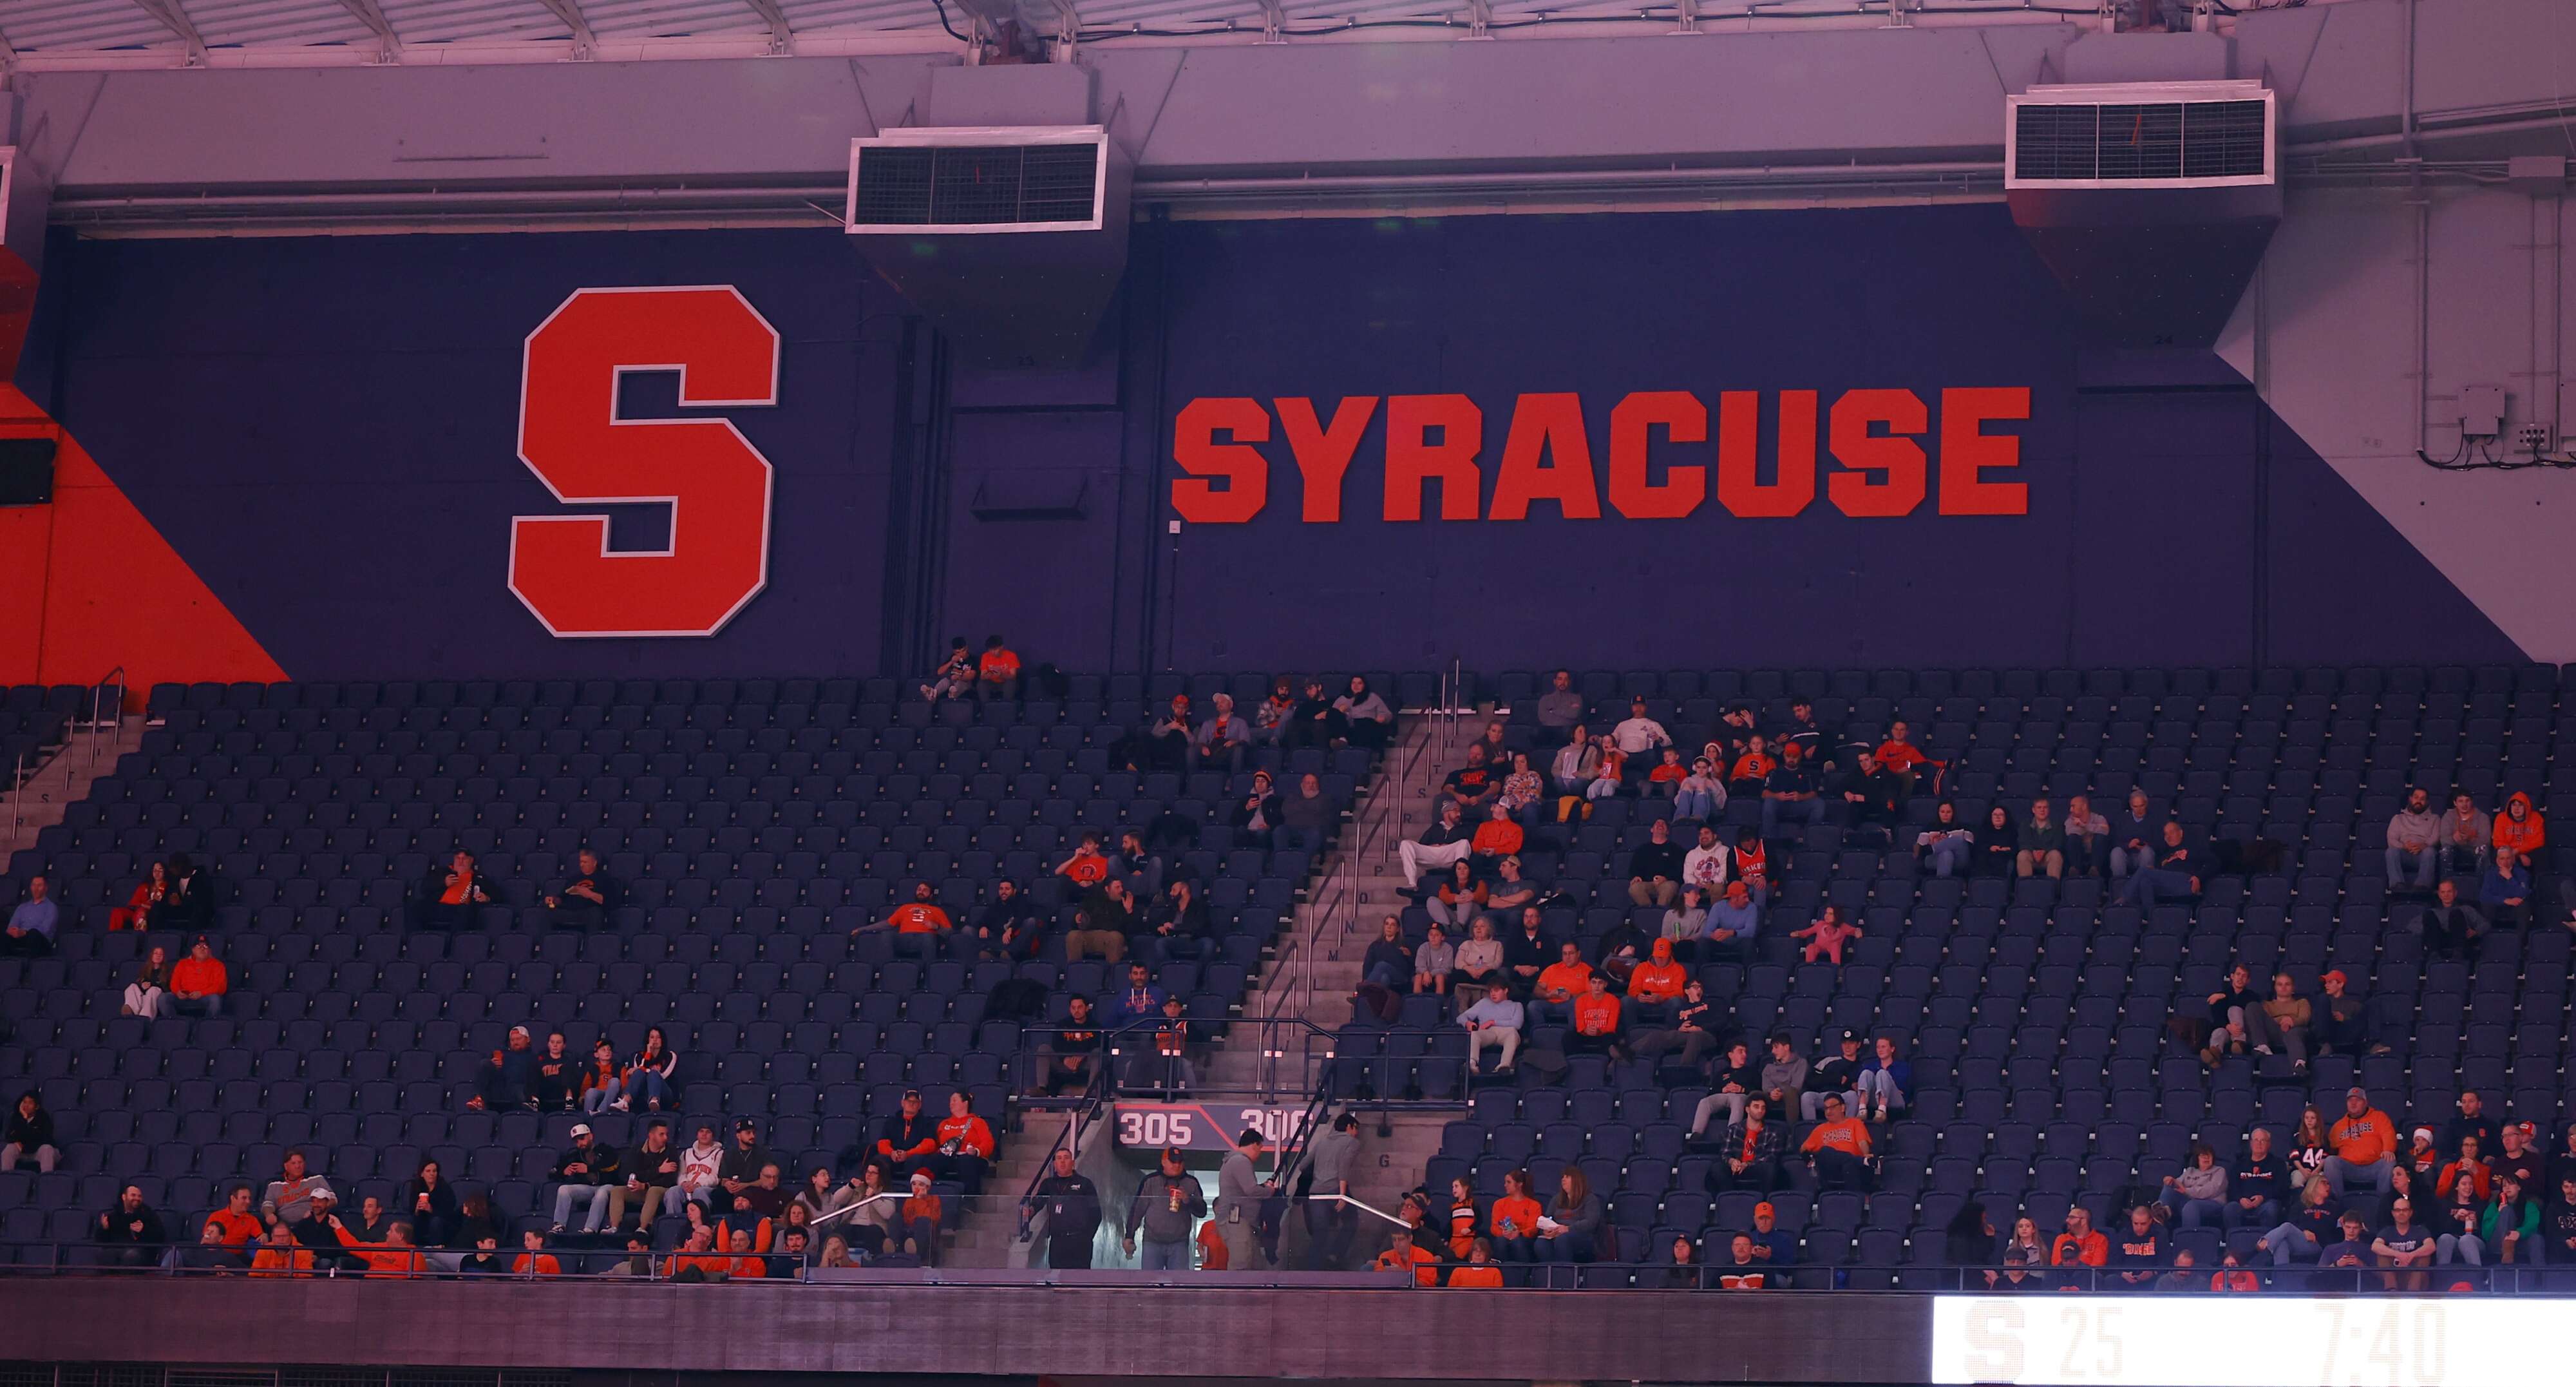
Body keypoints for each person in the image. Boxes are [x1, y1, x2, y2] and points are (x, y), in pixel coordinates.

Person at [1119, 1146, 1203, 1272]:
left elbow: (1202, 1212)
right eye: (1173, 1162)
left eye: (1180, 1162)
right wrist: (1129, 1236)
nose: (1177, 1165)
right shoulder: (1150, 1181)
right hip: (1152, 1241)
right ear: (1164, 1162)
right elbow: (1138, 1209)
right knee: (1150, 1282)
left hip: (1179, 1242)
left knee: (1178, 1283)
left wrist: (1188, 1200)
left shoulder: (1191, 1183)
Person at [1302, 1113, 1362, 1270]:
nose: (1357, 1133)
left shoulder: (1322, 1142)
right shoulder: (1352, 1143)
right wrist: (1342, 1196)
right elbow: (1344, 1168)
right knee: (1351, 1221)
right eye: (1356, 1128)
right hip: (1335, 1190)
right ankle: (1335, 1254)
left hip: (1316, 1193)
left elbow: (1303, 1165)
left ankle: (1311, 1270)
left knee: (1320, 1233)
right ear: (1349, 1126)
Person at [2326, 1086, 2398, 1200]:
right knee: (2330, 1161)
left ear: (2365, 1102)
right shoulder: (2338, 1126)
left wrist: (2388, 1150)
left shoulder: (2379, 1117)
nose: (2353, 1103)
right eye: (2350, 1100)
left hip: (2374, 1166)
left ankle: (2383, 1203)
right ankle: (2337, 1203)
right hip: (2349, 1168)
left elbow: (2388, 1134)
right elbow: (2328, 1147)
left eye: (2358, 1100)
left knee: (2389, 1161)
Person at [1215, 1129, 1272, 1270]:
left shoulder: (1232, 1161)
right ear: (1254, 1145)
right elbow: (1251, 1190)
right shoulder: (1241, 1161)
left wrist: (1262, 1188)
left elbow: (1245, 1189)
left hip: (1239, 1220)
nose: (1260, 1154)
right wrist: (1269, 1191)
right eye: (1260, 1149)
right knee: (1241, 1263)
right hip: (1237, 1220)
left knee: (1252, 1262)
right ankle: (1236, 1293)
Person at [1708, 1096, 1786, 1194]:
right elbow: (1725, 1153)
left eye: (1763, 1108)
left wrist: (1747, 1164)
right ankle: (1729, 1199)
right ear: (1747, 1109)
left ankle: (1764, 1203)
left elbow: (1771, 1157)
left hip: (1756, 1167)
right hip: (1736, 1168)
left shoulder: (1773, 1133)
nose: (1760, 1110)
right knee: (1717, 1168)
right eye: (1756, 1107)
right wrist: (1732, 1162)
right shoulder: (1733, 1130)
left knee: (1771, 1169)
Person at [550, 1123, 618, 1233]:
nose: (580, 1144)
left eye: (582, 1139)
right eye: (577, 1141)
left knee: (601, 1192)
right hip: (589, 1189)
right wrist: (564, 1172)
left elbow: (613, 1166)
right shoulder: (575, 1155)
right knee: (564, 1189)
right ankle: (559, 1225)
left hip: (610, 1187)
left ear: (591, 1136)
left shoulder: (605, 1150)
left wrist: (589, 1169)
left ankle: (590, 1229)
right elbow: (552, 1172)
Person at [2123, 819, 2208, 906]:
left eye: (2172, 832)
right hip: (2167, 884)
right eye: (2166, 834)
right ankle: (2148, 916)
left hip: (2185, 880)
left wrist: (2198, 877)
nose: (2169, 836)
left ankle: (2124, 899)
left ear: (2181, 833)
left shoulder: (2193, 848)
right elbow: (2159, 873)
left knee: (2143, 871)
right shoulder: (2165, 855)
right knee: (2145, 882)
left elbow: (2214, 863)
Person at [1801, 1094, 1873, 1190]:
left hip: (1851, 1168)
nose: (1828, 1111)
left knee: (1848, 1162)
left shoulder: (1855, 1123)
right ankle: (1861, 1161)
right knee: (1824, 1151)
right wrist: (1809, 1157)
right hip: (1830, 1169)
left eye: (1832, 1107)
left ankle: (1858, 1162)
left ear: (1843, 1108)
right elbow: (1803, 1149)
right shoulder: (1820, 1129)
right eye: (1826, 1108)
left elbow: (1862, 1142)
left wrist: (1866, 1154)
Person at [1758, 743, 1826, 843]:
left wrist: (1802, 797)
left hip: (1800, 805)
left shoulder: (1807, 773)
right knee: (1769, 803)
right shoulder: (1774, 773)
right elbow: (1764, 794)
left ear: (1800, 757)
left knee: (1819, 804)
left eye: (1795, 757)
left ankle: (1810, 836)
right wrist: (1778, 796)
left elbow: (1814, 794)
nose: (1791, 759)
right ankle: (1770, 840)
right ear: (1784, 755)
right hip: (1780, 804)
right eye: (1788, 756)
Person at [1399, 801, 1473, 891]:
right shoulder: (1435, 828)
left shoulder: (1464, 829)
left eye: (1460, 811)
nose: (1459, 814)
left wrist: (1449, 846)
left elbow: (1469, 848)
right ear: (1446, 813)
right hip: (1432, 855)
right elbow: (1421, 845)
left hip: (1451, 857)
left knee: (1464, 843)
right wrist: (1431, 846)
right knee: (1406, 844)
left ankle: (1461, 884)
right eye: (1455, 810)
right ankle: (1412, 884)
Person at [1035, 995, 1102, 1096]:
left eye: (1080, 1007)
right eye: (1073, 1008)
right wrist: (1065, 1059)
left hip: (1085, 1063)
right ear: (1070, 1009)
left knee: (1098, 1053)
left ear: (1087, 1008)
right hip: (1064, 1063)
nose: (1076, 1011)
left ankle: (1091, 1090)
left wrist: (1083, 1056)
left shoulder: (1096, 1026)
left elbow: (1098, 1045)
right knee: (1043, 1049)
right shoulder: (1062, 1025)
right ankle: (1042, 1088)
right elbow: (1057, 1046)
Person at [542, 847, 621, 930]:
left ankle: (591, 940)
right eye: (581, 862)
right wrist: (553, 900)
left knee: (596, 913)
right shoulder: (574, 879)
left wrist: (591, 894)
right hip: (570, 911)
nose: (581, 865)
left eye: (585, 862)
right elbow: (562, 898)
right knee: (547, 911)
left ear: (594, 863)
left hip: (588, 912)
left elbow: (611, 902)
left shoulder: (604, 879)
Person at [933, 1091, 996, 1192]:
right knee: (935, 1160)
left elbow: (988, 1142)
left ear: (965, 1103)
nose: (951, 1104)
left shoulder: (977, 1122)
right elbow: (937, 1144)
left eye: (954, 1100)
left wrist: (976, 1151)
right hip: (948, 1157)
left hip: (970, 1158)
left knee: (966, 1162)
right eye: (950, 1101)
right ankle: (935, 1197)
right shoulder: (944, 1124)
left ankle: (970, 1200)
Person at [1534, 1167, 1600, 1263]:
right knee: (1541, 1243)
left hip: (1582, 1235)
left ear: (1576, 1180)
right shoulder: (1556, 1199)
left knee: (1563, 1240)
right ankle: (1551, 1274)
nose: (1563, 1179)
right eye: (1563, 1177)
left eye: (1567, 1177)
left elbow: (1591, 1222)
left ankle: (1565, 1274)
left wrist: (1568, 1229)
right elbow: (1547, 1218)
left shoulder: (1590, 1199)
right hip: (1557, 1234)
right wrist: (1545, 1231)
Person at [871, 1090, 940, 1183]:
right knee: (881, 1159)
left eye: (915, 1102)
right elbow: (882, 1143)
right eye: (909, 1101)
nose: (912, 1104)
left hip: (913, 1158)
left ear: (920, 1105)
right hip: (894, 1157)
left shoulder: (927, 1123)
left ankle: (912, 1191)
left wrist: (908, 1154)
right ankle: (883, 1191)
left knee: (916, 1159)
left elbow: (930, 1145)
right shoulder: (891, 1122)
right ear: (903, 1103)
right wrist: (892, 1153)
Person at [2228, 1127, 2289, 1231]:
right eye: (2256, 1140)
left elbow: (2282, 1188)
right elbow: (2233, 1187)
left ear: (2269, 1144)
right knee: (2230, 1209)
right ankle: (2234, 1243)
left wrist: (2263, 1198)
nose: (2259, 1143)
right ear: (2251, 1143)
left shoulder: (2278, 1164)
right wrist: (2240, 1199)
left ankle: (2266, 1244)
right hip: (2242, 1203)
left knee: (2271, 1209)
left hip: (2266, 1203)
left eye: (2263, 1141)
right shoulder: (2239, 1164)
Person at [93, 1185, 166, 1269]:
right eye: (133, 1195)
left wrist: (144, 1230)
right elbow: (100, 1240)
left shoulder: (148, 1214)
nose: (137, 1199)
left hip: (141, 1251)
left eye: (139, 1196)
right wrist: (104, 1229)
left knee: (131, 1256)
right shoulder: (114, 1215)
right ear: (124, 1197)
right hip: (117, 1249)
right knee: (105, 1255)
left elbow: (160, 1237)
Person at [417, 850, 493, 930]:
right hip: (438, 907)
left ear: (471, 860)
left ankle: (455, 940)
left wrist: (487, 898)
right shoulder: (441, 872)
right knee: (415, 906)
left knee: (465, 910)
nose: (460, 862)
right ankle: (416, 938)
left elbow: (498, 895)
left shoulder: (478, 877)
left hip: (460, 909)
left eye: (464, 859)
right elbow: (424, 888)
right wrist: (443, 882)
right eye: (458, 858)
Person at [2159, 1143, 2229, 1229]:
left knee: (2191, 1206)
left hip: (2212, 1203)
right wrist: (2171, 1181)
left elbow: (2210, 1190)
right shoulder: (2190, 1171)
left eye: (2209, 1155)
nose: (2206, 1158)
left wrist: (2187, 1191)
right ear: (2197, 1158)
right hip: (2190, 1201)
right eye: (2203, 1155)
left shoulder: (2219, 1171)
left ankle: (2189, 1239)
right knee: (2169, 1188)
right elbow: (2178, 1184)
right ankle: (2161, 1213)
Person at [2372, 1196, 2436, 1290]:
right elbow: (2375, 1246)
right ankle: (2391, 1291)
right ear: (2393, 1213)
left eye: (2405, 1210)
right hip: (2394, 1274)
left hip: (2416, 1276)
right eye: (2398, 1210)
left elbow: (2431, 1246)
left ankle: (2413, 1293)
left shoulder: (2420, 1230)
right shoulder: (2387, 1231)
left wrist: (2411, 1256)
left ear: (2410, 1213)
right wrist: (2398, 1255)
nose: (2401, 1213)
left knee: (2424, 1257)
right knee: (2382, 1257)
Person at [2387, 787, 2443, 892]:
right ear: (2410, 799)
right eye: (2416, 797)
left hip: (2423, 854)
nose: (2419, 801)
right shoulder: (2398, 818)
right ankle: (2397, 885)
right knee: (2391, 852)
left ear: (2427, 802)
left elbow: (2436, 838)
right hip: (2404, 853)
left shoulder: (2435, 818)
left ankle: (2422, 886)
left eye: (2422, 799)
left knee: (2430, 851)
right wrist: (2404, 846)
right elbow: (2392, 840)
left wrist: (2422, 846)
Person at [1805, 1030, 1866, 1121]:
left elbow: (1857, 1087)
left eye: (1851, 1043)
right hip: (1824, 1095)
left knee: (1852, 1096)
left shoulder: (1862, 1065)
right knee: (1807, 1097)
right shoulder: (1829, 1060)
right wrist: (1835, 1079)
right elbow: (1811, 1081)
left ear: (1858, 1045)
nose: (1847, 1046)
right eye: (1844, 1043)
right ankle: (1811, 1130)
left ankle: (1847, 1129)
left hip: (1844, 1097)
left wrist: (1848, 1083)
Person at [1627, 819, 1687, 908]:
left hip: (1668, 882)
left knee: (1669, 887)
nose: (1660, 825)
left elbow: (1680, 869)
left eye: (1663, 824)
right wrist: (1636, 877)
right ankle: (1650, 912)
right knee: (1634, 888)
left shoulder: (1676, 849)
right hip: (1648, 883)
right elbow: (1634, 868)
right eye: (1657, 823)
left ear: (1667, 831)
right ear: (1652, 830)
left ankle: (1660, 913)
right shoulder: (1642, 850)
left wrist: (1666, 878)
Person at [1531, 941, 1591, 1026]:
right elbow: (1537, 989)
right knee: (1533, 1006)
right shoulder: (1552, 968)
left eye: (1571, 953)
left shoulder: (1587, 971)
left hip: (1570, 1004)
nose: (1568, 957)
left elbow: (1590, 994)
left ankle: (1571, 1037)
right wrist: (1548, 995)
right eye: (1565, 954)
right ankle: (1542, 1034)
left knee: (1576, 1004)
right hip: (1550, 1003)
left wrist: (1571, 996)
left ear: (1578, 954)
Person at [1854, 1034, 1911, 1122]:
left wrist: (1890, 1087)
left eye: (1883, 1047)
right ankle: (1862, 1110)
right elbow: (1861, 1083)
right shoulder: (1870, 1065)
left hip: (1895, 1100)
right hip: (1874, 1100)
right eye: (1878, 1047)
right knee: (1866, 1073)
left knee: (1882, 1073)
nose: (1880, 1050)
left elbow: (1906, 1089)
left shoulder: (1902, 1067)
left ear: (1892, 1049)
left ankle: (1881, 1111)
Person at [168, 936, 229, 1018]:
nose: (202, 949)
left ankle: (207, 1025)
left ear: (210, 950)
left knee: (215, 999)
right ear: (193, 950)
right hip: (184, 997)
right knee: (163, 998)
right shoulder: (183, 963)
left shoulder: (218, 965)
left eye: (205, 946)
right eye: (198, 946)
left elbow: (220, 987)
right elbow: (174, 983)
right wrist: (178, 992)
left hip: (204, 998)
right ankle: (176, 1022)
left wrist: (201, 993)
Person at [2110, 1203, 2167, 1288]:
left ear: (2150, 1221)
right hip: (2126, 1279)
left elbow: (2166, 1262)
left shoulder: (2160, 1234)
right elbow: (2112, 1262)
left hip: (2151, 1279)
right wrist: (2122, 1274)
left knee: (2163, 1279)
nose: (2139, 1228)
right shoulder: (2124, 1234)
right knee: (2111, 1279)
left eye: (2143, 1224)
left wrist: (2153, 1272)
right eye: (2136, 1223)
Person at [1193, 693, 1251, 775]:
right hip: (1212, 748)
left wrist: (1234, 742)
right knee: (1191, 751)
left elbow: (1246, 741)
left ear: (1231, 704)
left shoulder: (1240, 723)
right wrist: (1203, 747)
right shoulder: (1208, 723)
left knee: (1238, 750)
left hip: (1229, 749)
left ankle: (1233, 779)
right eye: (1218, 703)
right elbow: (1201, 741)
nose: (1219, 704)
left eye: (1223, 702)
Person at [2439, 791, 2492, 881]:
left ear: (2472, 802)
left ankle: (2482, 888)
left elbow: (2486, 841)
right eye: (2461, 801)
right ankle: (2446, 887)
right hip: (2455, 850)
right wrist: (2454, 838)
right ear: (2455, 803)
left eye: (2467, 801)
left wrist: (2469, 839)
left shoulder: (2483, 817)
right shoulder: (2448, 816)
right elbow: (2443, 839)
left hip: (2474, 851)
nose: (2464, 804)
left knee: (2484, 850)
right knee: (2445, 851)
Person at [2108, 787, 2159, 879]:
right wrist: (2129, 845)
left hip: (2144, 856)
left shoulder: (2154, 819)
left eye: (2142, 806)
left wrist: (2147, 845)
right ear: (2131, 806)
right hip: (2126, 855)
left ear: (2146, 804)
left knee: (2147, 851)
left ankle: (2143, 883)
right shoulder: (2122, 819)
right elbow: (2114, 842)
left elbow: (2160, 843)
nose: (2139, 810)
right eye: (2135, 806)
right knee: (2116, 852)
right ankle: (2120, 885)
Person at [2049, 1205, 2108, 1285]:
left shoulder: (2100, 1239)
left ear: (2083, 1221)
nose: (2067, 1220)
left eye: (2072, 1218)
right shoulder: (2061, 1239)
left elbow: (2098, 1266)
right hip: (2063, 1281)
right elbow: (2057, 1264)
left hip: (2088, 1282)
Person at [1, 877, 58, 957]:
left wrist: (24, 932)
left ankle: (31, 965)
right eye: (34, 885)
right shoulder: (22, 907)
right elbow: (12, 926)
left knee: (33, 933)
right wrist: (14, 931)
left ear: (46, 888)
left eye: (39, 886)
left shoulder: (51, 908)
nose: (36, 888)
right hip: (21, 938)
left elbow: (45, 930)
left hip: (40, 941)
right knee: (3, 936)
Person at [1567, 973, 1622, 1057]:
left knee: (1611, 1038)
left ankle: (1604, 1064)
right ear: (1590, 984)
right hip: (1586, 1035)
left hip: (1604, 1035)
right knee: (1568, 1036)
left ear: (1605, 984)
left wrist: (1599, 1031)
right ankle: (1576, 1061)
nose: (1597, 986)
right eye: (1594, 982)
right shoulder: (1581, 1000)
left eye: (1600, 983)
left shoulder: (1614, 1001)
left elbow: (1612, 1027)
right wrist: (1585, 1030)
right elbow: (1580, 1024)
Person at [2481, 846, 2534, 930]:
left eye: (2508, 858)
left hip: (2514, 908)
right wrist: (2505, 900)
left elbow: (2523, 894)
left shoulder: (2522, 873)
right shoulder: (2490, 874)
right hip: (2497, 906)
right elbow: (2484, 896)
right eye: (2502, 859)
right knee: (2487, 906)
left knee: (2525, 907)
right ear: (2497, 860)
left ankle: (2521, 941)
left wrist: (2510, 878)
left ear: (2513, 859)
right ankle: (2489, 939)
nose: (2505, 862)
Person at [108, 861, 171, 933]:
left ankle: (139, 937)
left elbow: (161, 907)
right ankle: (113, 936)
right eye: (155, 870)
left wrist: (143, 906)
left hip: (151, 913)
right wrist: (140, 905)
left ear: (165, 872)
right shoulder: (144, 886)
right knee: (117, 912)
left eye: (160, 870)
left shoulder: (168, 887)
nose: (157, 873)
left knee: (141, 912)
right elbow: (134, 903)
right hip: (136, 910)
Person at [3, 1091, 58, 1173]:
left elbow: (43, 1139)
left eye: (30, 1103)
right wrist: (24, 1119)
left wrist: (23, 1145)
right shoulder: (16, 1117)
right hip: (23, 1152)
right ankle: (6, 1177)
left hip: (37, 1151)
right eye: (24, 1102)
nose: (26, 1106)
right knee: (10, 1148)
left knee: (47, 1149)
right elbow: (9, 1136)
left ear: (37, 1107)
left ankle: (46, 1178)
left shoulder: (43, 1117)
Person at [1790, 903, 1860, 966]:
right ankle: (1809, 967)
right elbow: (1806, 933)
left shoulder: (1843, 927)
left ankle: (1835, 969)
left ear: (1836, 916)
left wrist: (1858, 932)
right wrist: (1798, 933)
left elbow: (1855, 931)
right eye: (1826, 913)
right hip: (1819, 947)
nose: (1827, 916)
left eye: (1830, 914)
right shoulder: (1820, 924)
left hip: (1833, 949)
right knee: (1811, 947)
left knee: (1835, 946)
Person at [1917, 801, 1973, 879]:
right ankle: (1942, 886)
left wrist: (1948, 840)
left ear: (1953, 813)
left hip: (1958, 860)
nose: (1945, 815)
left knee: (1959, 841)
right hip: (1933, 859)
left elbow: (1968, 849)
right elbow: (1919, 852)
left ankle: (1933, 849)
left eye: (1948, 812)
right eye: (1942, 812)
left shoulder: (1963, 828)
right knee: (1947, 854)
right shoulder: (1929, 828)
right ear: (1938, 813)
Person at [1335, 676, 1393, 751]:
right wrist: (1340, 711)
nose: (1356, 686)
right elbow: (1333, 715)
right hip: (1348, 727)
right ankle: (1342, 741)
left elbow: (1388, 714)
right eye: (1353, 683)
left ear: (1364, 686)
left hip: (1368, 726)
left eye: (1359, 683)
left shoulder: (1373, 697)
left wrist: (1383, 717)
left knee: (1364, 722)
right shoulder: (1343, 699)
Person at [2016, 798, 2065, 879]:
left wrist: (2044, 851)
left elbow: (2059, 843)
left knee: (2056, 855)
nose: (2042, 810)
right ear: (2033, 810)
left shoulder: (2058, 825)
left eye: (2045, 807)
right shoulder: (2025, 825)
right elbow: (2023, 842)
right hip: (2031, 855)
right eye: (2039, 807)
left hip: (2048, 856)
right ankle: (2026, 887)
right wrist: (2033, 851)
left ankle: (2053, 888)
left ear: (2049, 810)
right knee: (2022, 855)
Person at [1426, 863, 1484, 932]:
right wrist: (1455, 898)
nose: (1462, 871)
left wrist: (1473, 896)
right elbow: (1443, 897)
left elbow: (1484, 897)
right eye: (1459, 869)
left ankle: (1461, 925)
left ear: (1469, 870)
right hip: (1454, 916)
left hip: (1472, 915)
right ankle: (1445, 927)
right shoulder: (1448, 883)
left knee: (1465, 892)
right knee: (1431, 900)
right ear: (1455, 871)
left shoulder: (1478, 882)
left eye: (1465, 868)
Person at [2061, 794, 2108, 877]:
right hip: (2079, 853)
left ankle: (2095, 869)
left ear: (2084, 807)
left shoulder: (2099, 818)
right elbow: (2071, 832)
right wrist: (2094, 828)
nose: (2071, 810)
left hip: (2097, 853)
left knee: (2100, 838)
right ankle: (2075, 870)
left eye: (2073, 806)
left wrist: (2084, 825)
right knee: (2073, 838)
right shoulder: (2069, 820)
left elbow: (2105, 831)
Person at [121, 945, 173, 1019]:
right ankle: (130, 1010)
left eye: (161, 954)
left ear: (164, 957)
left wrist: (154, 986)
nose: (158, 956)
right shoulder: (145, 969)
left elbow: (168, 989)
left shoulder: (168, 971)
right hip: (143, 999)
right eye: (156, 953)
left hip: (155, 997)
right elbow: (139, 984)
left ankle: (144, 1018)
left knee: (153, 990)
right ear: (151, 955)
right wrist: (142, 987)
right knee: (132, 986)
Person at [920, 637, 975, 703]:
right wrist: (951, 662)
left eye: (964, 651)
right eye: (958, 652)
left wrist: (959, 677)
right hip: (951, 680)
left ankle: (953, 694)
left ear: (967, 648)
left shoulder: (972, 659)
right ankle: (933, 693)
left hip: (964, 682)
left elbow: (972, 676)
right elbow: (939, 672)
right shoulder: (952, 658)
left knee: (959, 683)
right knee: (946, 680)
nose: (961, 654)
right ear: (954, 652)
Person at [1412, 923, 1455, 996]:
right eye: (1431, 934)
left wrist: (1431, 974)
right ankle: (1417, 1002)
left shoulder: (1448, 948)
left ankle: (1439, 1002)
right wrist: (1425, 972)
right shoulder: (1423, 947)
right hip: (1424, 975)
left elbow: (1447, 969)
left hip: (1441, 975)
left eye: (1437, 935)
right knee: (1418, 977)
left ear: (1443, 937)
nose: (1433, 937)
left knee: (1439, 977)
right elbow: (1419, 966)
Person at [1975, 806, 2019, 878]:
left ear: (2006, 817)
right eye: (1995, 815)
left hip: (2006, 858)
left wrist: (2008, 849)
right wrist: (1990, 848)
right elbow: (1979, 846)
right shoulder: (1983, 831)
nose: (1998, 817)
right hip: (1987, 858)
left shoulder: (2013, 831)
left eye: (2001, 815)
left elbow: (2017, 847)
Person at [976, 634, 1020, 702]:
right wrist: (988, 676)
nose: (992, 652)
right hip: (992, 682)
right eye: (990, 650)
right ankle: (985, 707)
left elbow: (1013, 676)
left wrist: (1001, 675)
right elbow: (982, 676)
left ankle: (1006, 706)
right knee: (981, 684)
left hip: (1005, 682)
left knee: (1011, 683)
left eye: (995, 649)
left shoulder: (1011, 656)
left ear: (1002, 647)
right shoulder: (985, 656)